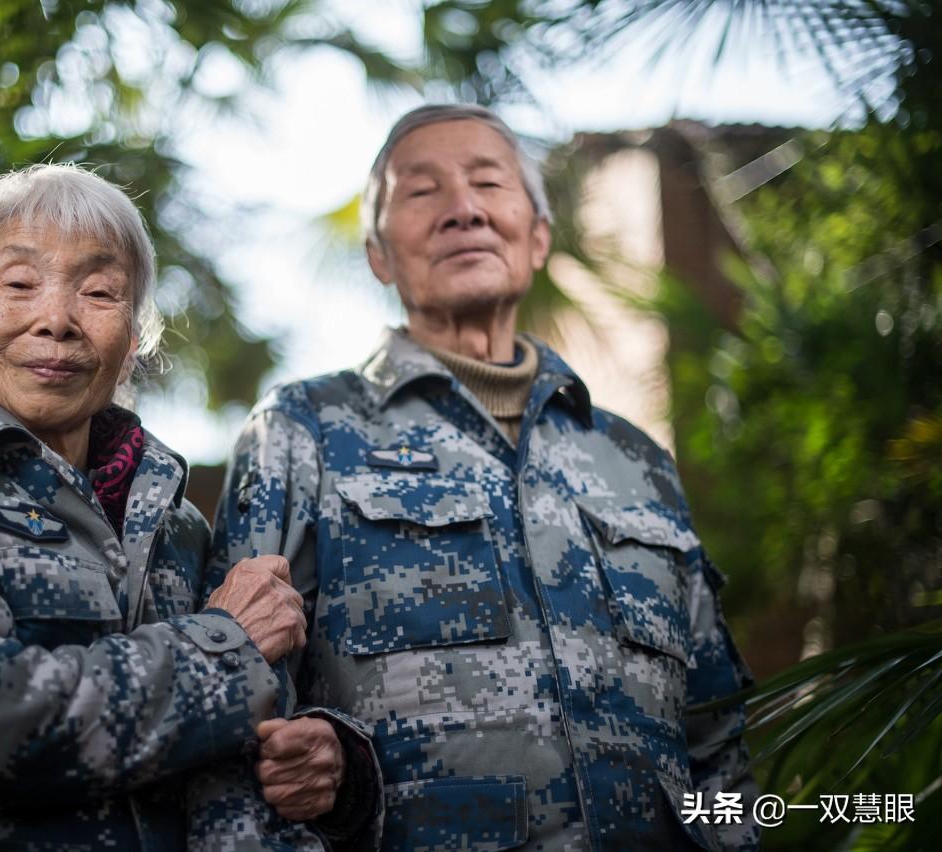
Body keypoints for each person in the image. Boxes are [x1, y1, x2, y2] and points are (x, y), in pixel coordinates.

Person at [210, 104, 760, 851]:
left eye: (488, 183)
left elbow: (717, 735)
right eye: (422, 190)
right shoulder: (302, 431)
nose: (463, 210)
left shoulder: (637, 460)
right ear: (379, 254)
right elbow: (242, 716)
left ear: (537, 236)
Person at [0, 163, 373, 850]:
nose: (58, 321)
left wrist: (332, 769)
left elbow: (238, 752)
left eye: (99, 292)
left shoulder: (182, 532)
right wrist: (223, 643)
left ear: (132, 342)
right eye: (19, 284)